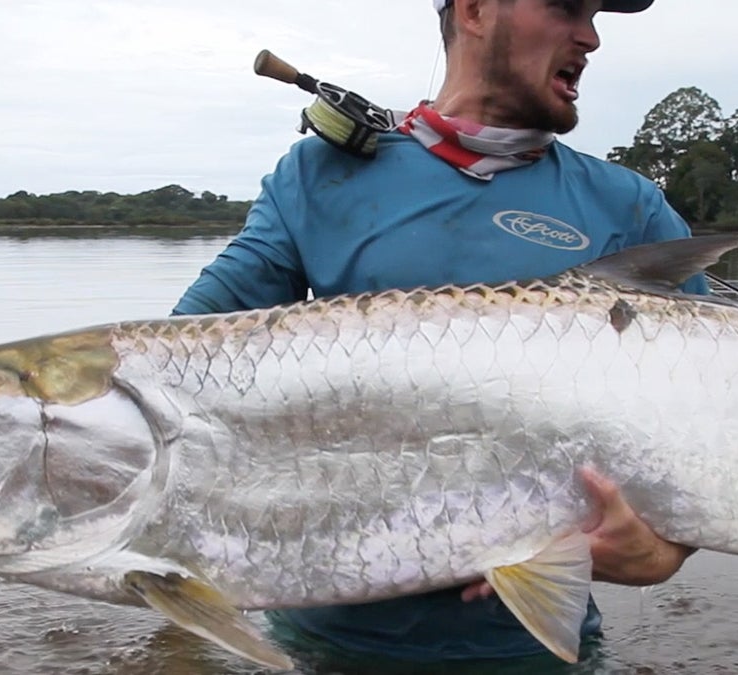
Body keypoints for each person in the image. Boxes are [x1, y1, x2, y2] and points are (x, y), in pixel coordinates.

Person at [171, 0, 699, 666]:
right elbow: (175, 372)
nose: (590, 36)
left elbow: (710, 434)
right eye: (567, 7)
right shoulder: (315, 177)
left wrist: (658, 554)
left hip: (538, 653)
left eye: (596, 14)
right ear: (476, 10)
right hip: (320, 650)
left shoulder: (630, 207)